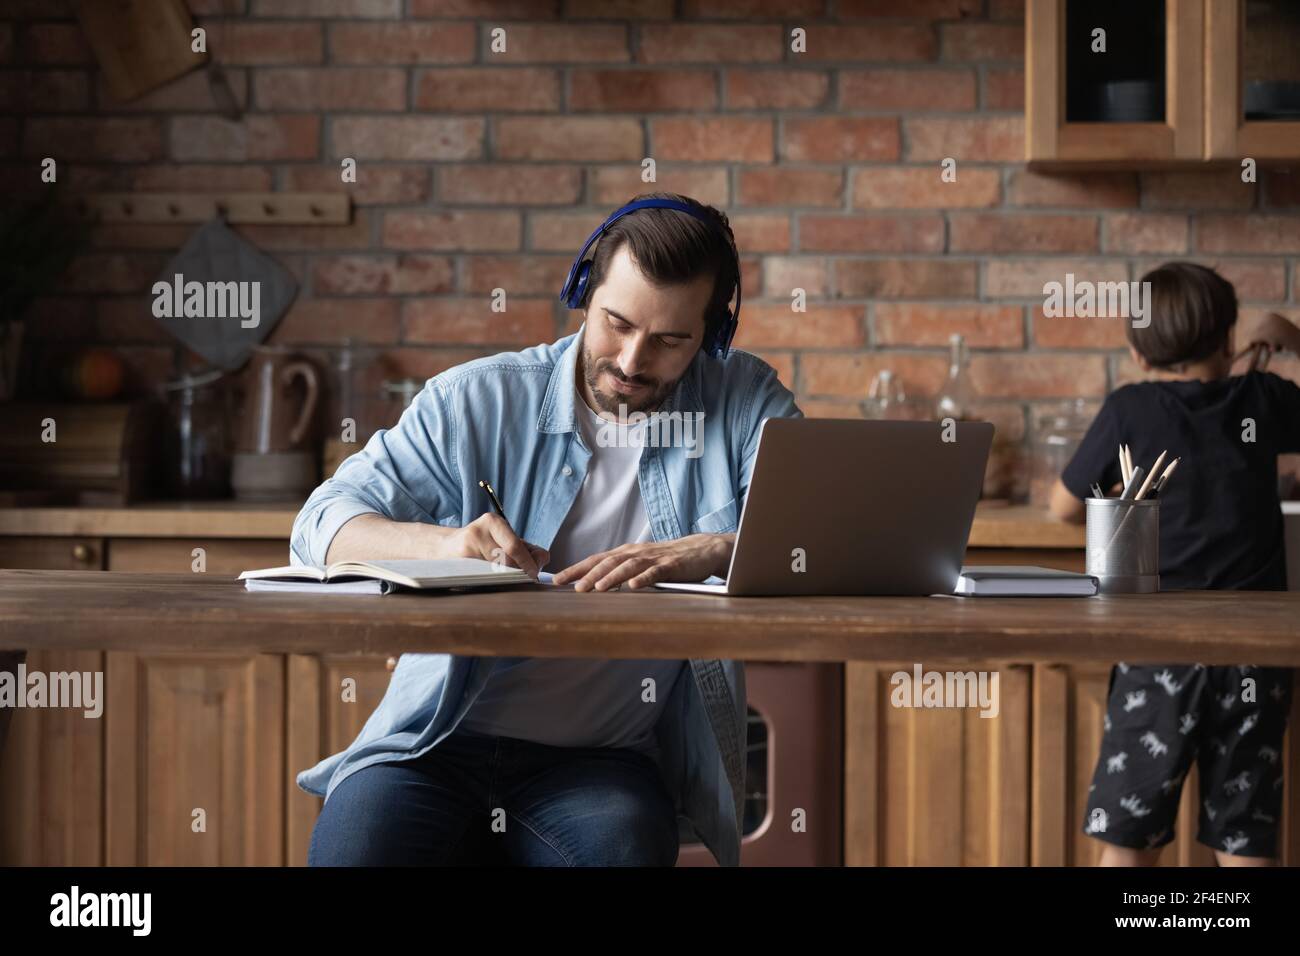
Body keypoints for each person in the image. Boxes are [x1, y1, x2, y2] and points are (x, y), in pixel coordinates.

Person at [295, 193, 801, 866]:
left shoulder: (745, 400)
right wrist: (444, 546)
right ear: (583, 293)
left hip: (600, 763)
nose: (630, 359)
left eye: (669, 340)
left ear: (711, 335)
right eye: (614, 323)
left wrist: (716, 549)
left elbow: (816, 542)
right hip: (431, 745)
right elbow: (319, 525)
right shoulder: (477, 399)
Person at [1049, 261, 1300, 865]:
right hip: (1256, 660)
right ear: (1228, 337)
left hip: (1157, 651)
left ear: (1139, 353)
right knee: (1245, 844)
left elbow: (1062, 507)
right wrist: (1291, 340)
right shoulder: (1263, 398)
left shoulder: (1130, 409)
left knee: (1127, 844)